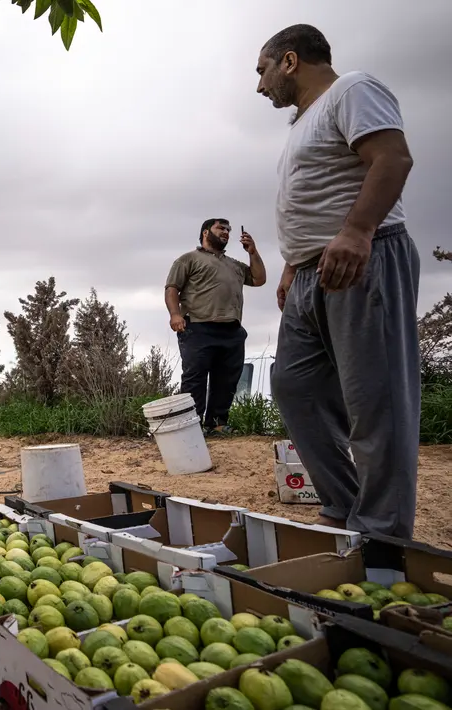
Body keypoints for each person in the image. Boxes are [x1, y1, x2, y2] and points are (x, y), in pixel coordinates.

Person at [256, 24, 419, 537]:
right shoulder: (302, 124)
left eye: (261, 72)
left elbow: (392, 158)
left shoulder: (352, 89)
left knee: (375, 401)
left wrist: (358, 230)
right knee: (294, 387)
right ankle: (344, 504)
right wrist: (291, 264)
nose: (259, 87)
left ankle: (383, 536)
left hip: (361, 261)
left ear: (288, 61)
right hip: (310, 274)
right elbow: (315, 196)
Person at [165, 218, 267, 435]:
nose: (226, 232)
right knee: (195, 378)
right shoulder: (188, 259)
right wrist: (175, 314)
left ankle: (217, 424)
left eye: (228, 229)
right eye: (221, 228)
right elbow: (172, 288)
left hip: (231, 329)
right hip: (197, 327)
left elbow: (259, 279)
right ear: (205, 232)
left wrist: (252, 252)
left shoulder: (234, 265)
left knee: (227, 379)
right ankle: (192, 426)